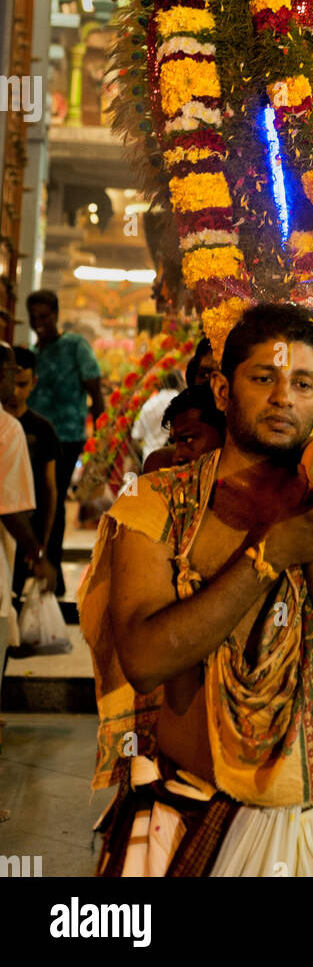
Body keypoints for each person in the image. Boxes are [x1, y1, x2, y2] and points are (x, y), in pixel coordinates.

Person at [79, 302, 313, 877]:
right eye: (264, 378)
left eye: (302, 383)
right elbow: (144, 658)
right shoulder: (156, 502)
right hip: (193, 810)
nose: (284, 397)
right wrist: (270, 557)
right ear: (220, 387)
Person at [0, 341, 57, 812]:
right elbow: (12, 508)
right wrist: (39, 552)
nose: (12, 380)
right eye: (6, 372)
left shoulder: (33, 428)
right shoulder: (7, 428)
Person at [26, 290, 105, 596]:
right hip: (34, 440)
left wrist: (101, 439)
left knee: (53, 502)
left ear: (56, 315)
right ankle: (37, 565)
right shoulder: (34, 352)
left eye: (44, 317)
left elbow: (95, 392)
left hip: (67, 438)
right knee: (37, 502)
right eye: (33, 318)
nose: (38, 323)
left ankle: (52, 569)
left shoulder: (74, 346)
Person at [7, 347, 61, 600]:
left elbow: (50, 488)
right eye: (11, 382)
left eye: (22, 384)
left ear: (33, 383)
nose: (15, 392)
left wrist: (42, 544)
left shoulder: (42, 430)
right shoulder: (7, 428)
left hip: (27, 531)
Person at [131, 369, 184, 463]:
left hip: (150, 459)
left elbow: (136, 435)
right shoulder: (181, 400)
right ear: (178, 382)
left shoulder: (148, 404)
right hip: (176, 457)